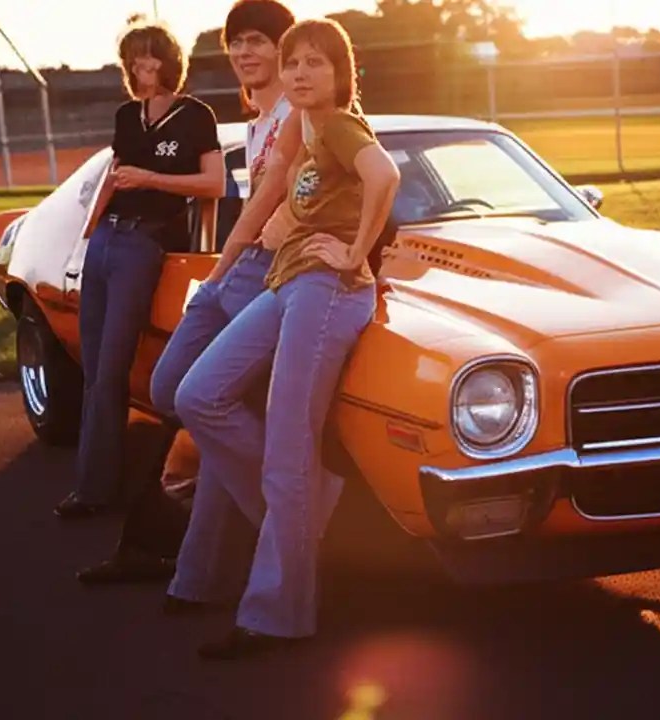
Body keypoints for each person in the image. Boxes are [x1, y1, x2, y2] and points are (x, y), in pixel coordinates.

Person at [166, 17, 400, 660]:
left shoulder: (345, 125)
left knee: (286, 443)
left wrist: (356, 253)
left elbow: (385, 178)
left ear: (340, 74)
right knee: (199, 395)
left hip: (328, 292)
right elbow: (277, 193)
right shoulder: (304, 125)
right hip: (287, 281)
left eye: (313, 64)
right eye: (292, 62)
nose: (298, 74)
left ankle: (277, 615)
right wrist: (227, 264)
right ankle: (310, 499)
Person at [75, 0, 301, 582]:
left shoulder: (303, 113)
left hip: (268, 275)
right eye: (237, 43)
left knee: (200, 402)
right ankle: (205, 549)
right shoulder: (256, 121)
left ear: (285, 47)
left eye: (257, 41)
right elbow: (252, 205)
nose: (244, 53)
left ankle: (208, 560)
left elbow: (310, 198)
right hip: (231, 270)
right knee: (170, 391)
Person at [55, 16, 225, 519]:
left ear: (170, 61)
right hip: (106, 240)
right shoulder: (127, 116)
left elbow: (213, 185)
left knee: (111, 371)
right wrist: (83, 239)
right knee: (92, 368)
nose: (141, 64)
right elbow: (112, 178)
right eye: (134, 57)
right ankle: (94, 480)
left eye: (150, 55)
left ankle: (95, 491)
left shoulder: (196, 115)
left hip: (145, 246)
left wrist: (150, 177)